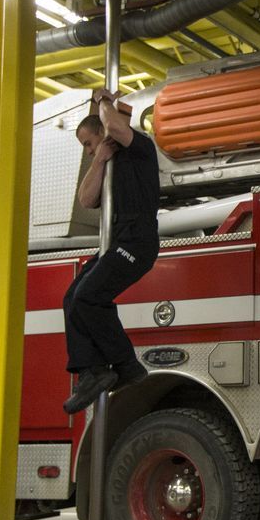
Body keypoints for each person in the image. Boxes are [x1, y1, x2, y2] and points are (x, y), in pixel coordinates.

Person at [62, 88, 160, 414]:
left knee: (90, 296)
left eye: (89, 143)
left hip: (137, 240)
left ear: (103, 130)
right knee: (73, 296)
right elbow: (86, 200)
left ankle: (126, 366)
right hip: (117, 239)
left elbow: (118, 129)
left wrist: (104, 101)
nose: (89, 151)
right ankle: (91, 372)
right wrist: (101, 157)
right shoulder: (109, 162)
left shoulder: (140, 148)